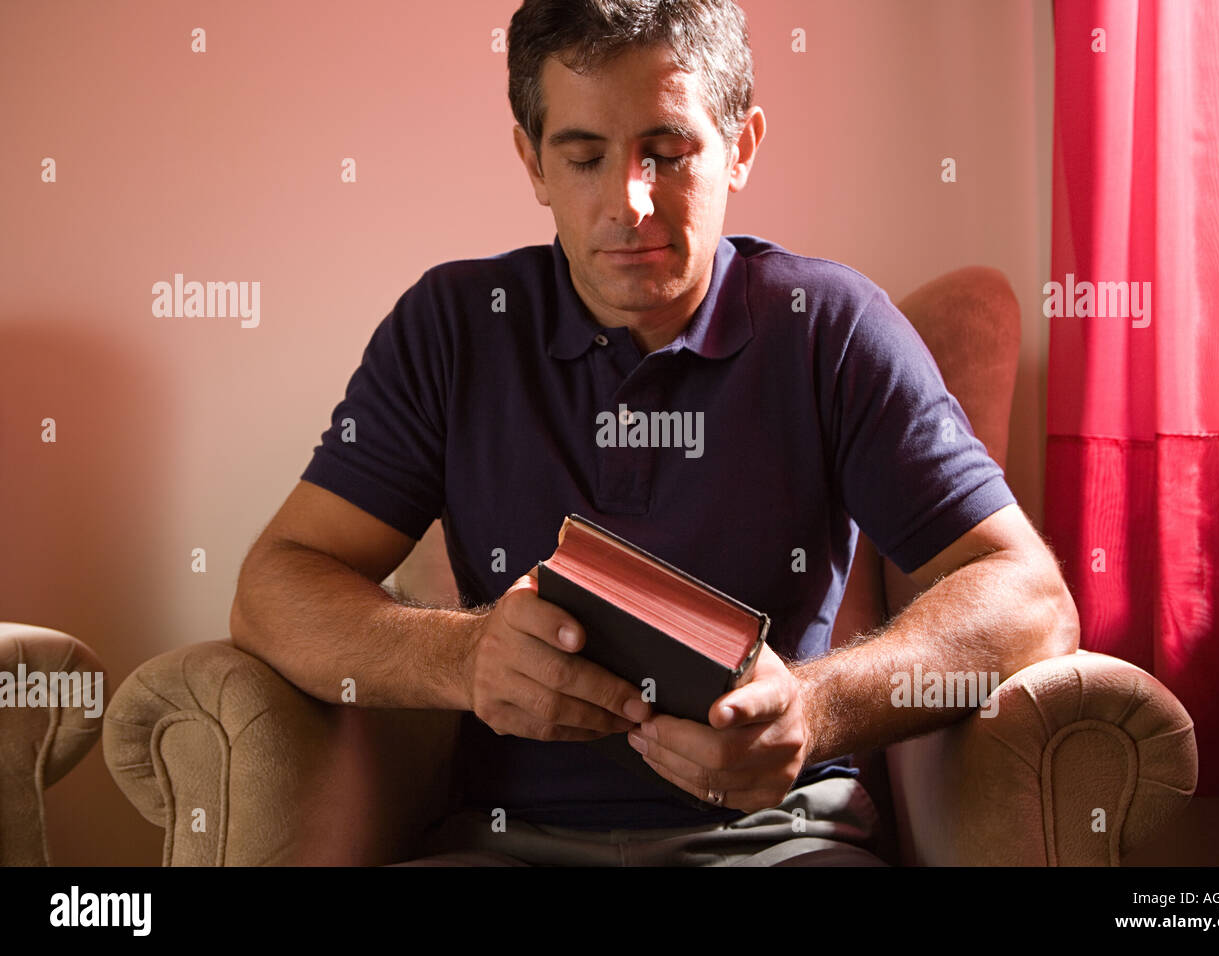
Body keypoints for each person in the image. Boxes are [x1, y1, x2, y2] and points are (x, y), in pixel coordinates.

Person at [229, 0, 1079, 866]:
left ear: (741, 147)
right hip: (504, 846)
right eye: (585, 157)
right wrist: (464, 654)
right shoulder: (453, 327)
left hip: (779, 841)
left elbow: (1030, 599)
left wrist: (813, 710)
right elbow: (275, 587)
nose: (629, 203)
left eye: (667, 154)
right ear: (532, 160)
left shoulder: (832, 327)